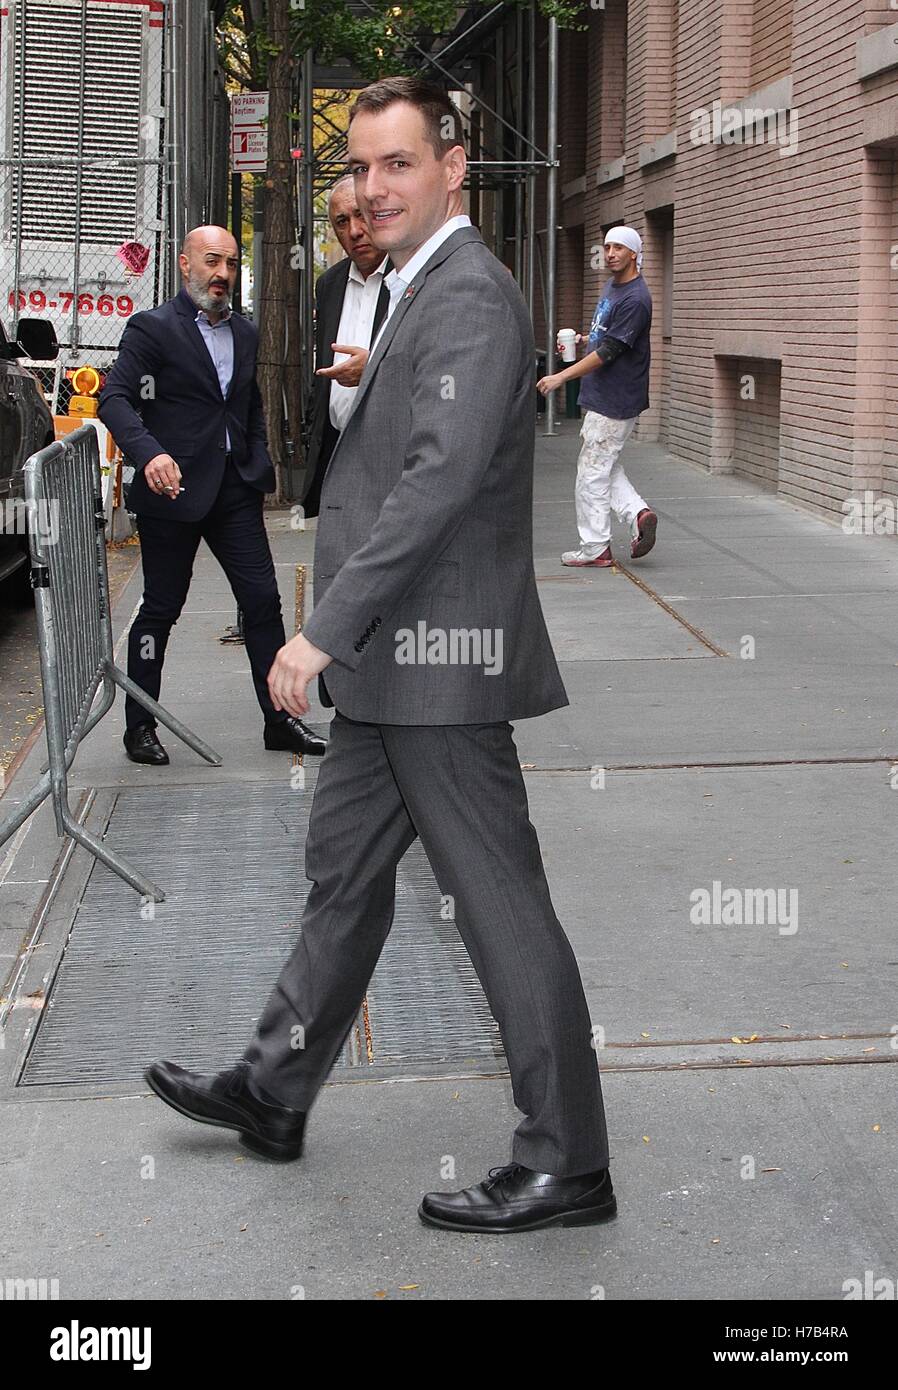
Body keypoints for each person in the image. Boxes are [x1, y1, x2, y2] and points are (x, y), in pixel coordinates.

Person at [144, 78, 614, 1236]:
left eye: (397, 164)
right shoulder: (416, 287)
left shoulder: (467, 296)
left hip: (435, 664)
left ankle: (567, 1159)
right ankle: (274, 1086)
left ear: (453, 167)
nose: (373, 188)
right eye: (359, 168)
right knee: (341, 881)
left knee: (499, 906)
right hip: (396, 669)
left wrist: (318, 628)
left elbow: (434, 485)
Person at [98, 226, 326, 764]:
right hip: (170, 491)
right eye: (211, 261)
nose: (222, 273)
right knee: (160, 608)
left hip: (232, 491)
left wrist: (255, 461)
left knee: (262, 603)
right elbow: (114, 399)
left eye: (230, 262)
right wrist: (149, 453)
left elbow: (245, 406)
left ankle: (280, 721)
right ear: (185, 265)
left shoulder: (245, 335)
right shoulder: (152, 329)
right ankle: (140, 729)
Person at [537, 225, 658, 568]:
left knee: (592, 471)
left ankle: (595, 547)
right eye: (607, 247)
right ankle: (639, 514)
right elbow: (608, 335)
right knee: (604, 464)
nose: (610, 254)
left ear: (634, 253)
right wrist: (585, 336)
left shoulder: (636, 298)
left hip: (616, 398)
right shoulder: (614, 287)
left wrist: (560, 376)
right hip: (605, 395)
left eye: (619, 248)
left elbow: (610, 351)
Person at [300, 174, 391, 517]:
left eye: (361, 215)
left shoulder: (410, 278)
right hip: (337, 451)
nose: (354, 230)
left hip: (390, 451)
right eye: (341, 221)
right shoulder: (329, 285)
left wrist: (374, 368)